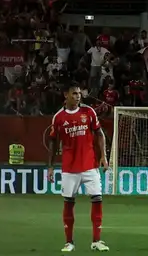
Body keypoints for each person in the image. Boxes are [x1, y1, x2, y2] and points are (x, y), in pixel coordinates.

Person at [49, 84, 109, 252]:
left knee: (97, 199)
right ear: (65, 95)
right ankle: (69, 242)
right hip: (69, 168)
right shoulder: (59, 117)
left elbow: (99, 134)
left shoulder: (88, 112)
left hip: (90, 166)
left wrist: (103, 157)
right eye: (74, 93)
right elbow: (53, 142)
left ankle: (96, 241)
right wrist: (51, 166)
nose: (78, 96)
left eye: (79, 94)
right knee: (69, 203)